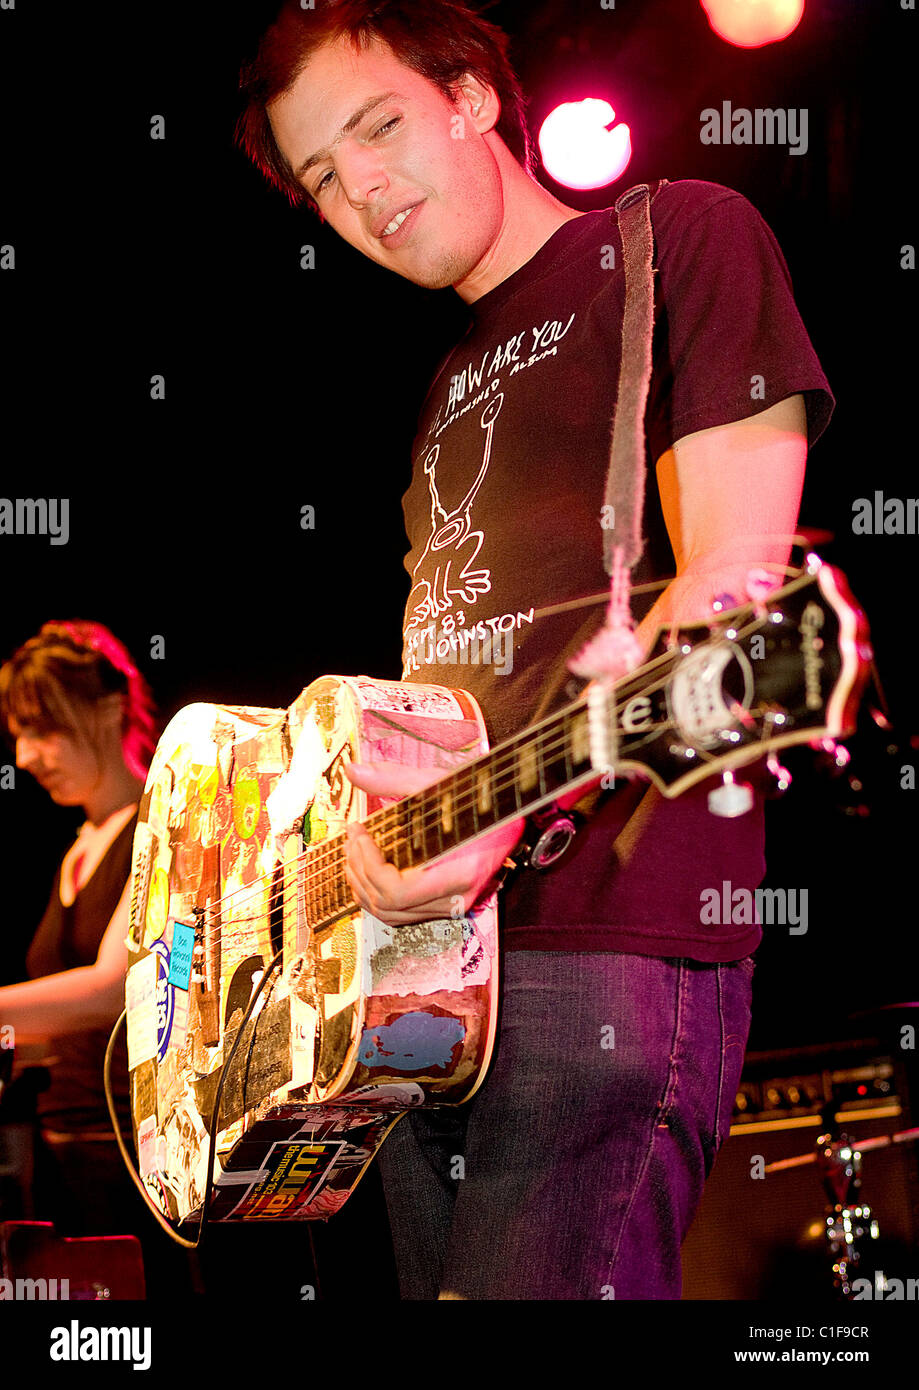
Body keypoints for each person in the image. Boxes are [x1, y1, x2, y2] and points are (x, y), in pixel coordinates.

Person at [236, 0, 835, 1299]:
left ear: (471, 93)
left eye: (378, 127)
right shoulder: (445, 383)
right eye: (324, 177)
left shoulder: (678, 238)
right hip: (424, 971)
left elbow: (735, 594)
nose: (362, 191)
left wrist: (501, 814)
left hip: (598, 937)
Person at [0, 620, 195, 1293]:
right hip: (64, 1153)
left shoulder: (162, 821)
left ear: (108, 710)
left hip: (138, 1158)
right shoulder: (78, 845)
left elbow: (114, 989)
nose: (24, 756)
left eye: (42, 729)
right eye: (18, 735)